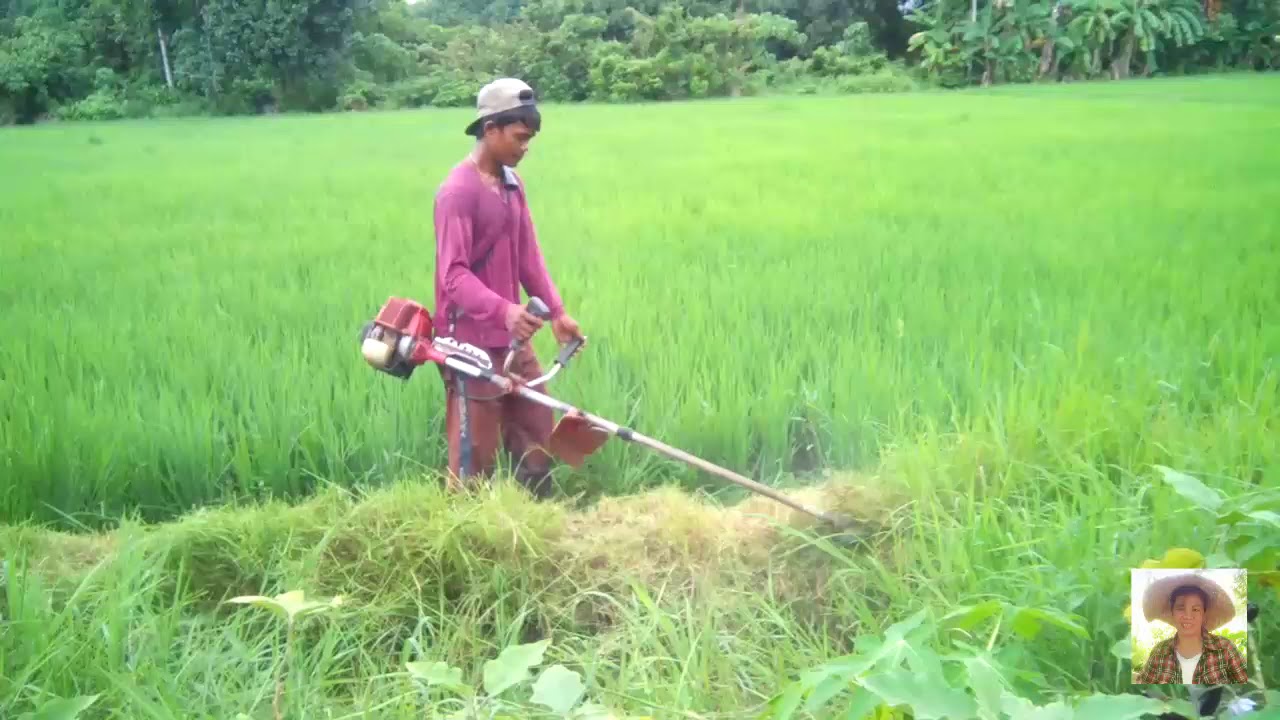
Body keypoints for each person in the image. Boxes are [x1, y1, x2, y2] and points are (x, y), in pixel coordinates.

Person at [431, 77, 584, 499]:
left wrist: (557, 312)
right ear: (491, 128)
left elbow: (527, 257)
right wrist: (504, 311)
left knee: (536, 435)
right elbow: (453, 275)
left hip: (514, 340)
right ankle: (466, 536)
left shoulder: (512, 185)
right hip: (469, 344)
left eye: (530, 138)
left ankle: (536, 526)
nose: (525, 146)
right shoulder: (458, 192)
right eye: (519, 136)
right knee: (475, 453)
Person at [1134, 572, 1249, 685]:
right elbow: (1143, 693)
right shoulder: (1159, 652)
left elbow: (1251, 690)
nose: (1188, 616)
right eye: (1180, 608)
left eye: (1195, 609)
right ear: (1172, 612)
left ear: (1203, 614)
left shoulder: (1225, 649)